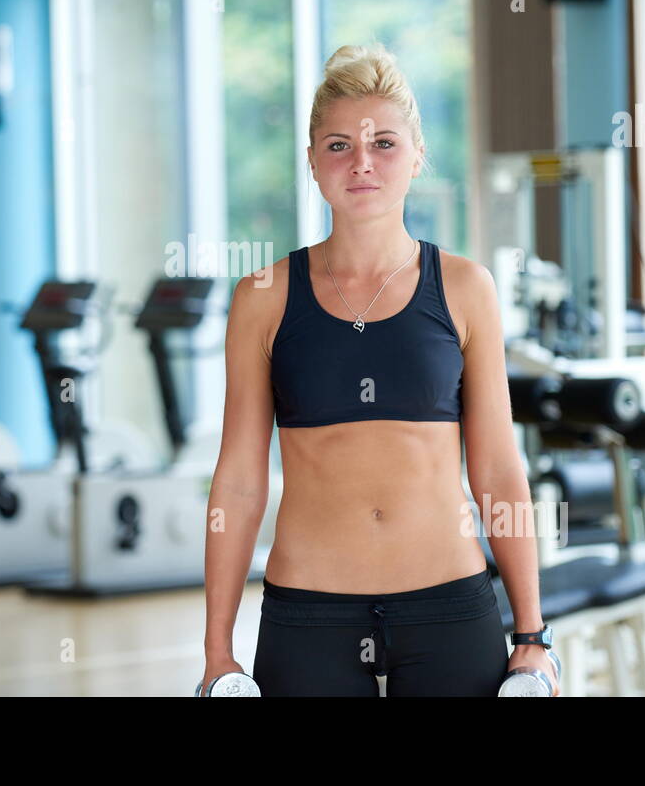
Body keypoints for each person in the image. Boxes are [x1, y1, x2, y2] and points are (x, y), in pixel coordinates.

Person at [201, 43, 559, 696]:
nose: (361, 162)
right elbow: (239, 481)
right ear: (311, 159)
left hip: (449, 607)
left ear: (417, 155)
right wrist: (217, 650)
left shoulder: (465, 287)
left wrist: (532, 636)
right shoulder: (261, 296)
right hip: (310, 614)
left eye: (384, 143)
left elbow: (500, 468)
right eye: (338, 145)